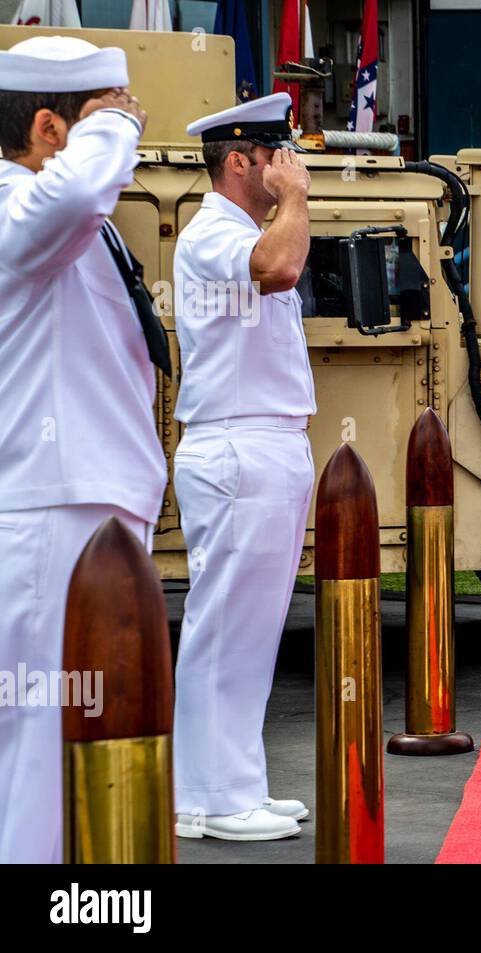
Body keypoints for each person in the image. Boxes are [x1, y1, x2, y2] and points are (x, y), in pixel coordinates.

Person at [0, 35, 167, 862]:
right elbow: (67, 206)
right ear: (48, 131)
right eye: (113, 115)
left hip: (85, 505)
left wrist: (101, 131)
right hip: (51, 511)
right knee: (39, 752)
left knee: (85, 747)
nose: (131, 133)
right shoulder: (15, 208)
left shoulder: (53, 211)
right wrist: (109, 131)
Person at [171, 92, 316, 841]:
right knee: (226, 626)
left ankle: (234, 782)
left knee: (249, 630)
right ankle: (210, 797)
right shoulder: (212, 233)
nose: (289, 166)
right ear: (239, 162)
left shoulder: (240, 227)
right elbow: (282, 267)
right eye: (274, 156)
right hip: (237, 447)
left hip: (262, 444)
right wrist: (295, 199)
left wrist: (286, 198)